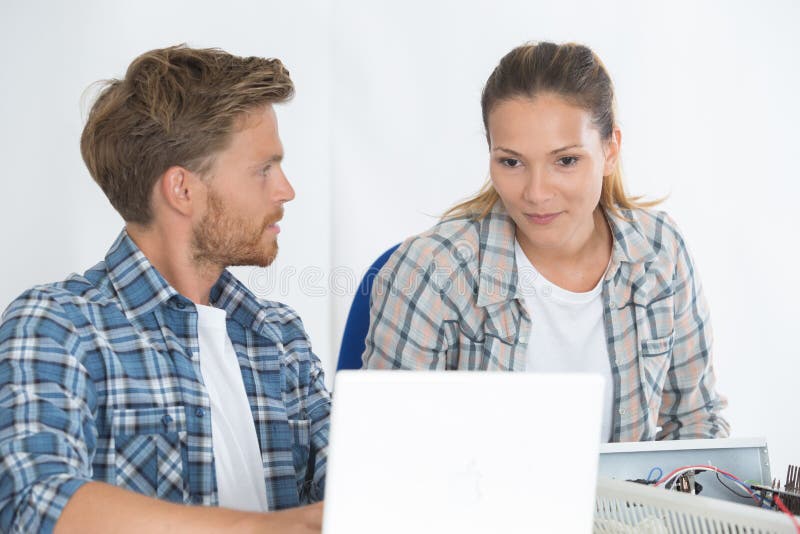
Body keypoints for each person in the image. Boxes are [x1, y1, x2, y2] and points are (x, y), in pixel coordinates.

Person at [0, 45, 329, 534]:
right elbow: (32, 502)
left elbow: (352, 488)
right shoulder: (57, 325)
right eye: (263, 168)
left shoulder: (278, 334)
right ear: (183, 190)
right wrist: (266, 529)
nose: (285, 190)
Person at [363, 41, 729, 443]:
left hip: (628, 509)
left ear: (610, 152)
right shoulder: (430, 270)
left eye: (566, 161)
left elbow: (697, 423)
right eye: (511, 162)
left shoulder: (661, 250)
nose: (536, 193)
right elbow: (388, 452)